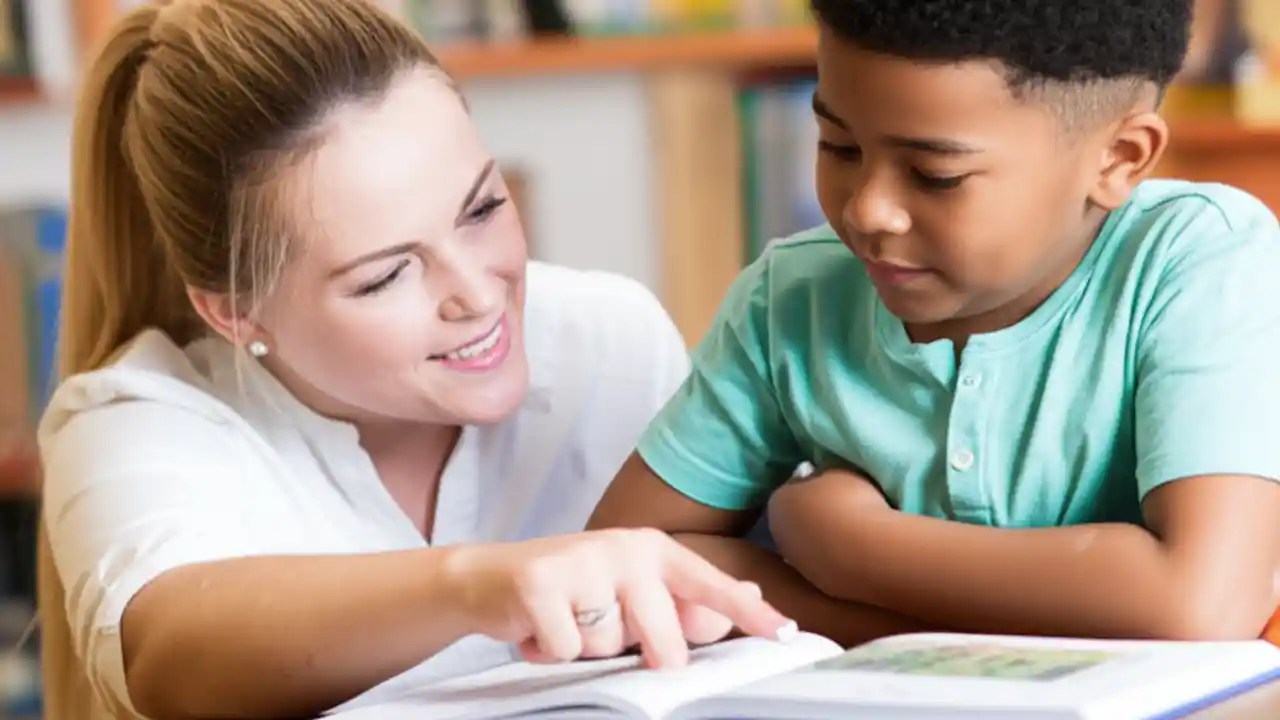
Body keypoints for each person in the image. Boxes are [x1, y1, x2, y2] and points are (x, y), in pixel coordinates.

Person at [35, 2, 795, 719]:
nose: (476, 293)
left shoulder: (606, 340)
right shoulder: (141, 416)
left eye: (483, 210)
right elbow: (173, 649)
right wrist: (488, 582)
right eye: (386, 275)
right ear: (235, 310)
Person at [590, 0, 1280, 646]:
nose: (869, 210)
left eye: (934, 175)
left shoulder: (1199, 258)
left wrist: (853, 549)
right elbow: (623, 565)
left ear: (1118, 158)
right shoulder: (790, 301)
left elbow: (1201, 604)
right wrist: (907, 624)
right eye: (839, 146)